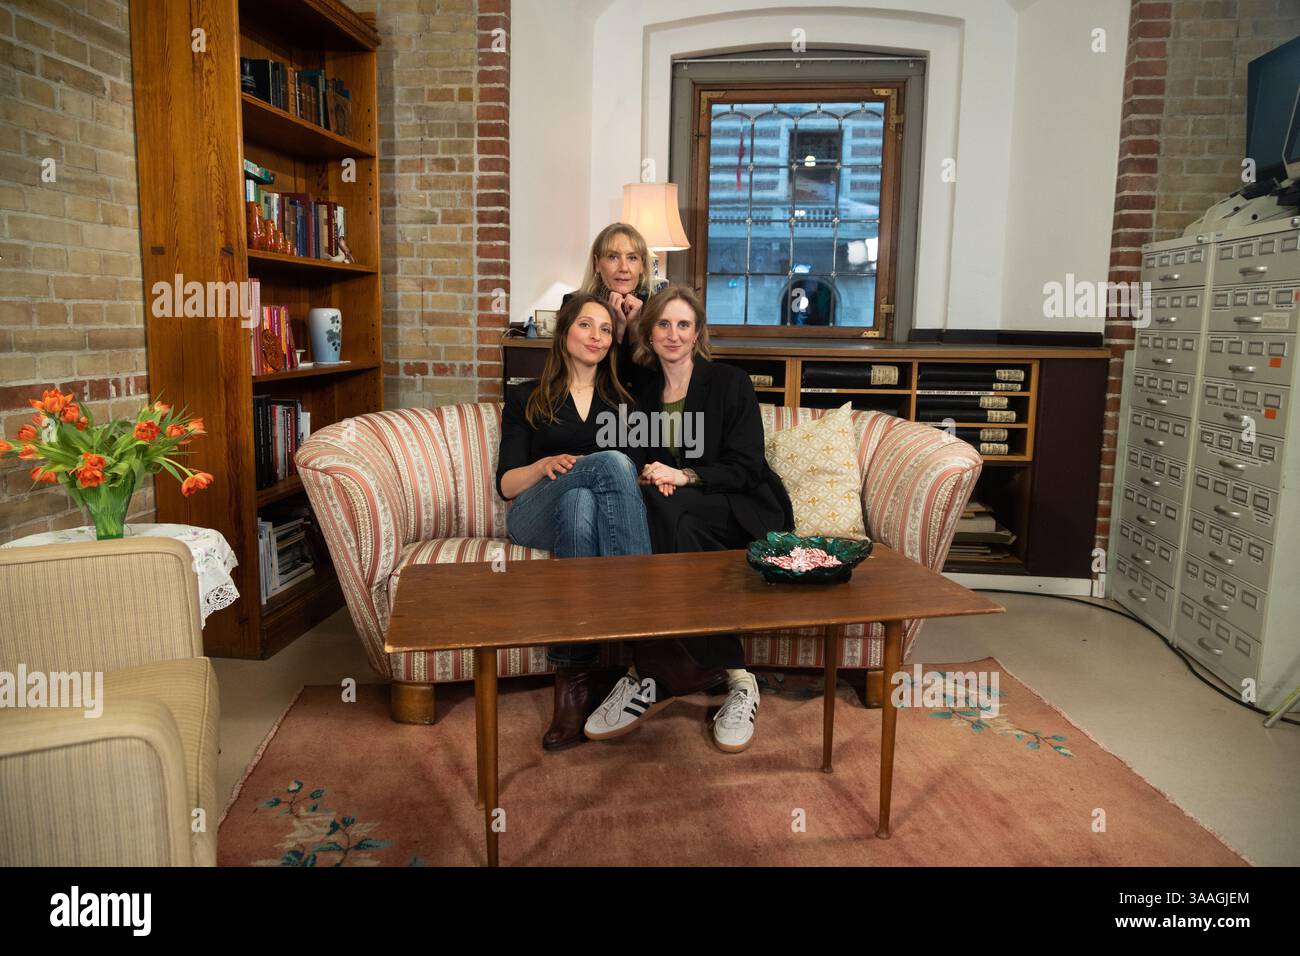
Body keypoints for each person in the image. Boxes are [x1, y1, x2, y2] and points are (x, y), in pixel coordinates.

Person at [584, 286, 795, 753]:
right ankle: (729, 672)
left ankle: (662, 671)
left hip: (741, 504)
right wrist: (650, 473)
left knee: (673, 516)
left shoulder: (729, 382)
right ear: (650, 332)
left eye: (683, 325)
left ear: (697, 332)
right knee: (662, 511)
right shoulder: (642, 388)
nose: (673, 334)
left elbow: (747, 466)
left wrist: (684, 475)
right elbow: (634, 448)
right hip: (678, 504)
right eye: (663, 324)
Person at [496, 293, 653, 752]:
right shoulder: (525, 395)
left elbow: (638, 471)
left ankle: (572, 682)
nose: (597, 337)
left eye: (606, 330)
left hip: (581, 515)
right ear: (565, 333)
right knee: (609, 465)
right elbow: (506, 484)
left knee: (582, 502)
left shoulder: (623, 400)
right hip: (532, 513)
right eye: (586, 326)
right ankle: (649, 636)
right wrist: (543, 465)